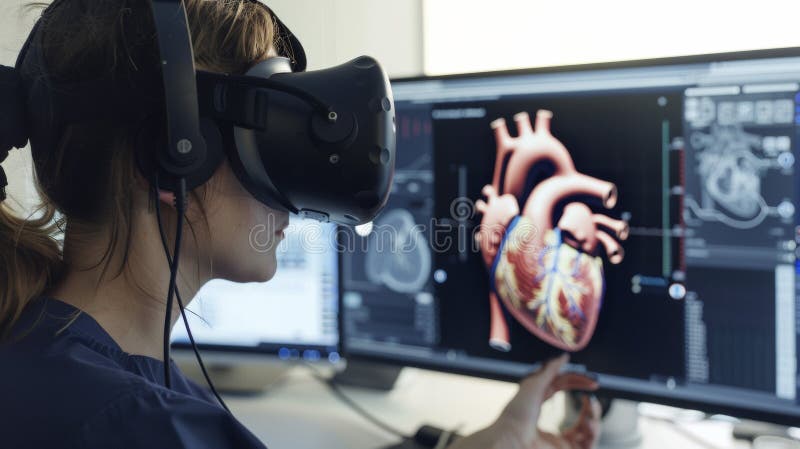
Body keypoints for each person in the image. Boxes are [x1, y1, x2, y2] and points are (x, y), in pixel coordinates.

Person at [0, 1, 601, 448]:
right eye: (265, 143)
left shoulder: (48, 346)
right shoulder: (137, 423)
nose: (294, 198)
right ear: (174, 152)